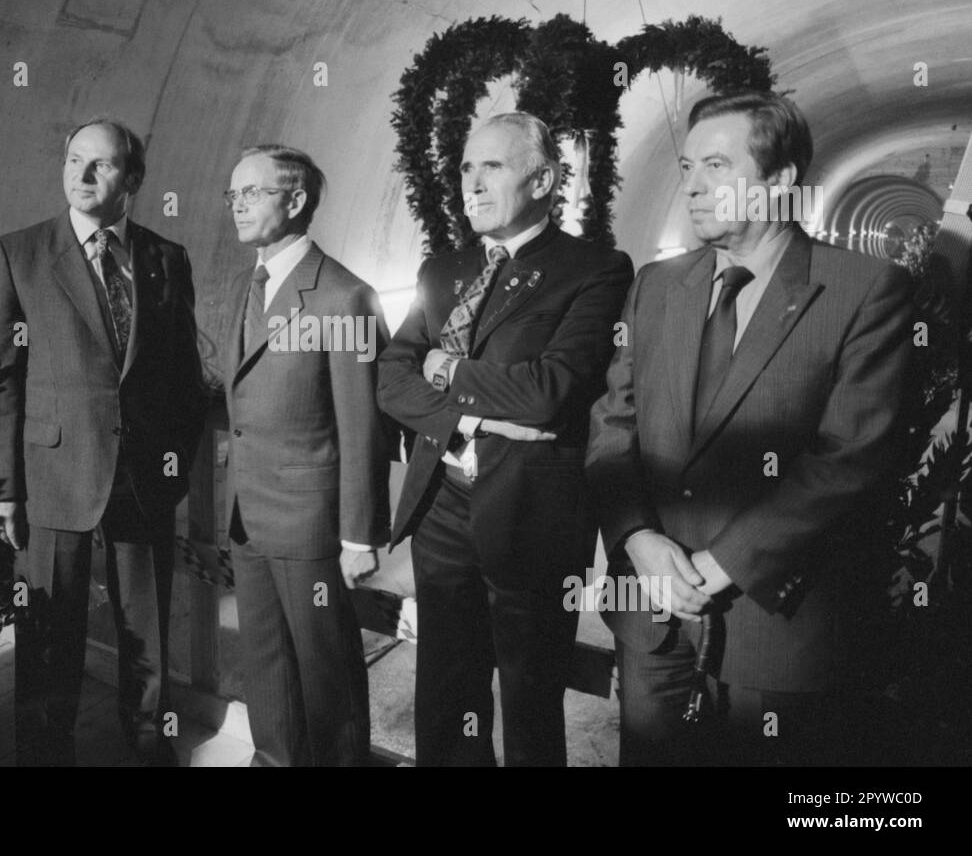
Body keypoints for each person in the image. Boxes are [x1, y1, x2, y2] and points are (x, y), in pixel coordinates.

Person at [585, 91, 913, 765]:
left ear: (781, 180)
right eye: (686, 165)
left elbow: (849, 457)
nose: (693, 187)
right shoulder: (655, 285)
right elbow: (613, 424)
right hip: (650, 617)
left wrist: (722, 564)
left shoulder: (862, 289)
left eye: (716, 165)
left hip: (773, 631)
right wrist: (637, 536)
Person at [378, 112, 633, 766]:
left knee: (530, 700)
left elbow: (549, 390)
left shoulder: (596, 269)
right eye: (466, 167)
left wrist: (447, 370)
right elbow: (390, 376)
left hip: (533, 516)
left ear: (542, 178)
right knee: (444, 691)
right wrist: (474, 416)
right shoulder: (443, 269)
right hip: (442, 506)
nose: (472, 180)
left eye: (491, 165)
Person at [0, 116, 205, 765]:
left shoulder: (165, 258)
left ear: (132, 179)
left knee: (148, 643)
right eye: (74, 159)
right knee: (48, 647)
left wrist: (172, 467)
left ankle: (150, 750)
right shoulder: (17, 255)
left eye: (99, 164)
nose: (80, 174)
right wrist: (2, 491)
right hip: (51, 481)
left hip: (142, 484)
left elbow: (185, 379)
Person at [222, 144, 390, 766]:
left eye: (252, 193)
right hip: (250, 517)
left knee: (328, 683)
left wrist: (358, 534)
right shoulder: (254, 281)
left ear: (295, 201)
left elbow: (363, 423)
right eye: (232, 194)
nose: (237, 205)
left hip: (311, 524)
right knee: (266, 670)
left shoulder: (344, 296)